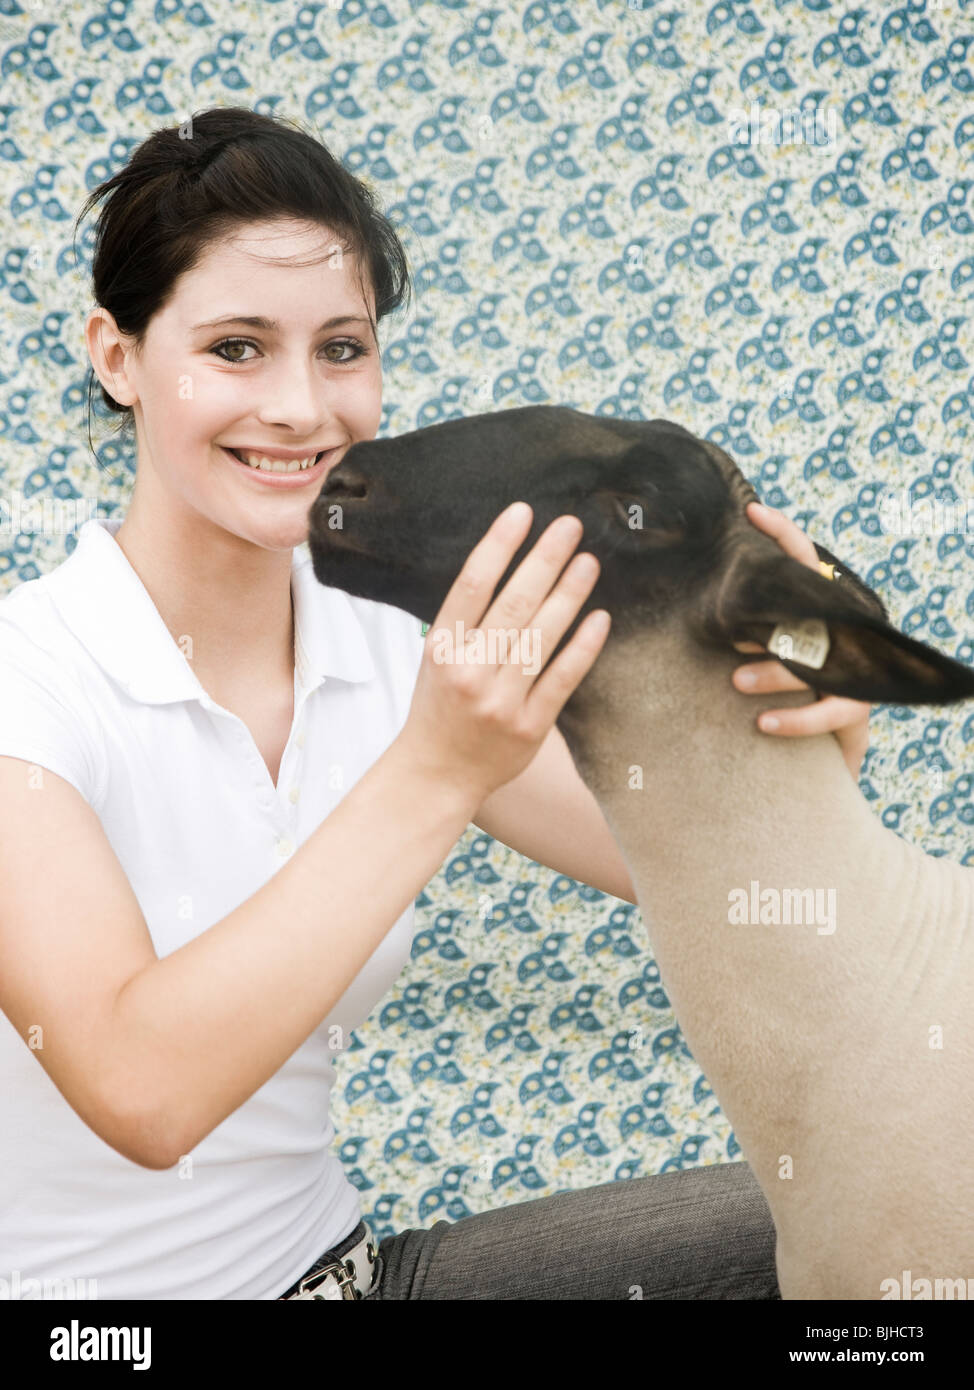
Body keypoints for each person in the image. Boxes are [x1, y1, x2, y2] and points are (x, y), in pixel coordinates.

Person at [0, 106, 872, 1301]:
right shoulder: (28, 682)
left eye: (341, 349)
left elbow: (712, 863)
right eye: (237, 348)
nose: (303, 408)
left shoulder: (380, 637)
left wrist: (810, 714)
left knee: (883, 1204)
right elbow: (143, 1092)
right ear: (116, 357)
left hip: (349, 1280)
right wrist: (437, 765)